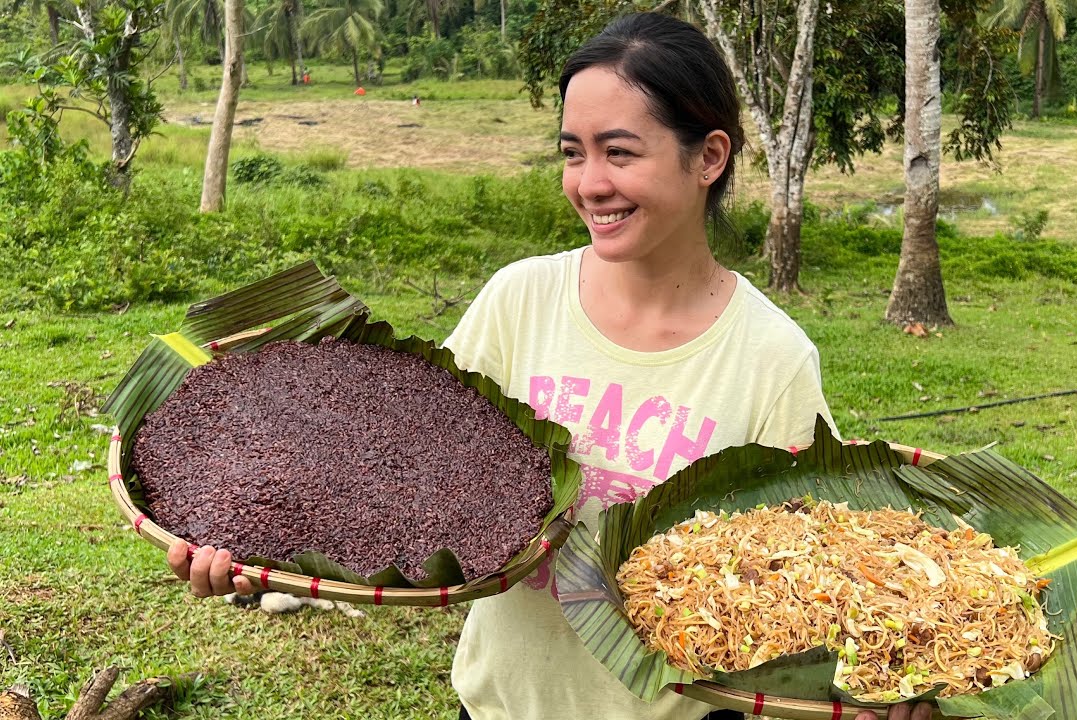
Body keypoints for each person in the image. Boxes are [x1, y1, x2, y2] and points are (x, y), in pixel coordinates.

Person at [167, 12, 926, 720]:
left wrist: (895, 676)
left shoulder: (770, 357)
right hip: (495, 705)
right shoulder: (519, 300)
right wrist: (253, 533)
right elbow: (390, 471)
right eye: (573, 152)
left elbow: (808, 571)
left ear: (711, 157)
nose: (589, 183)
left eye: (620, 151)